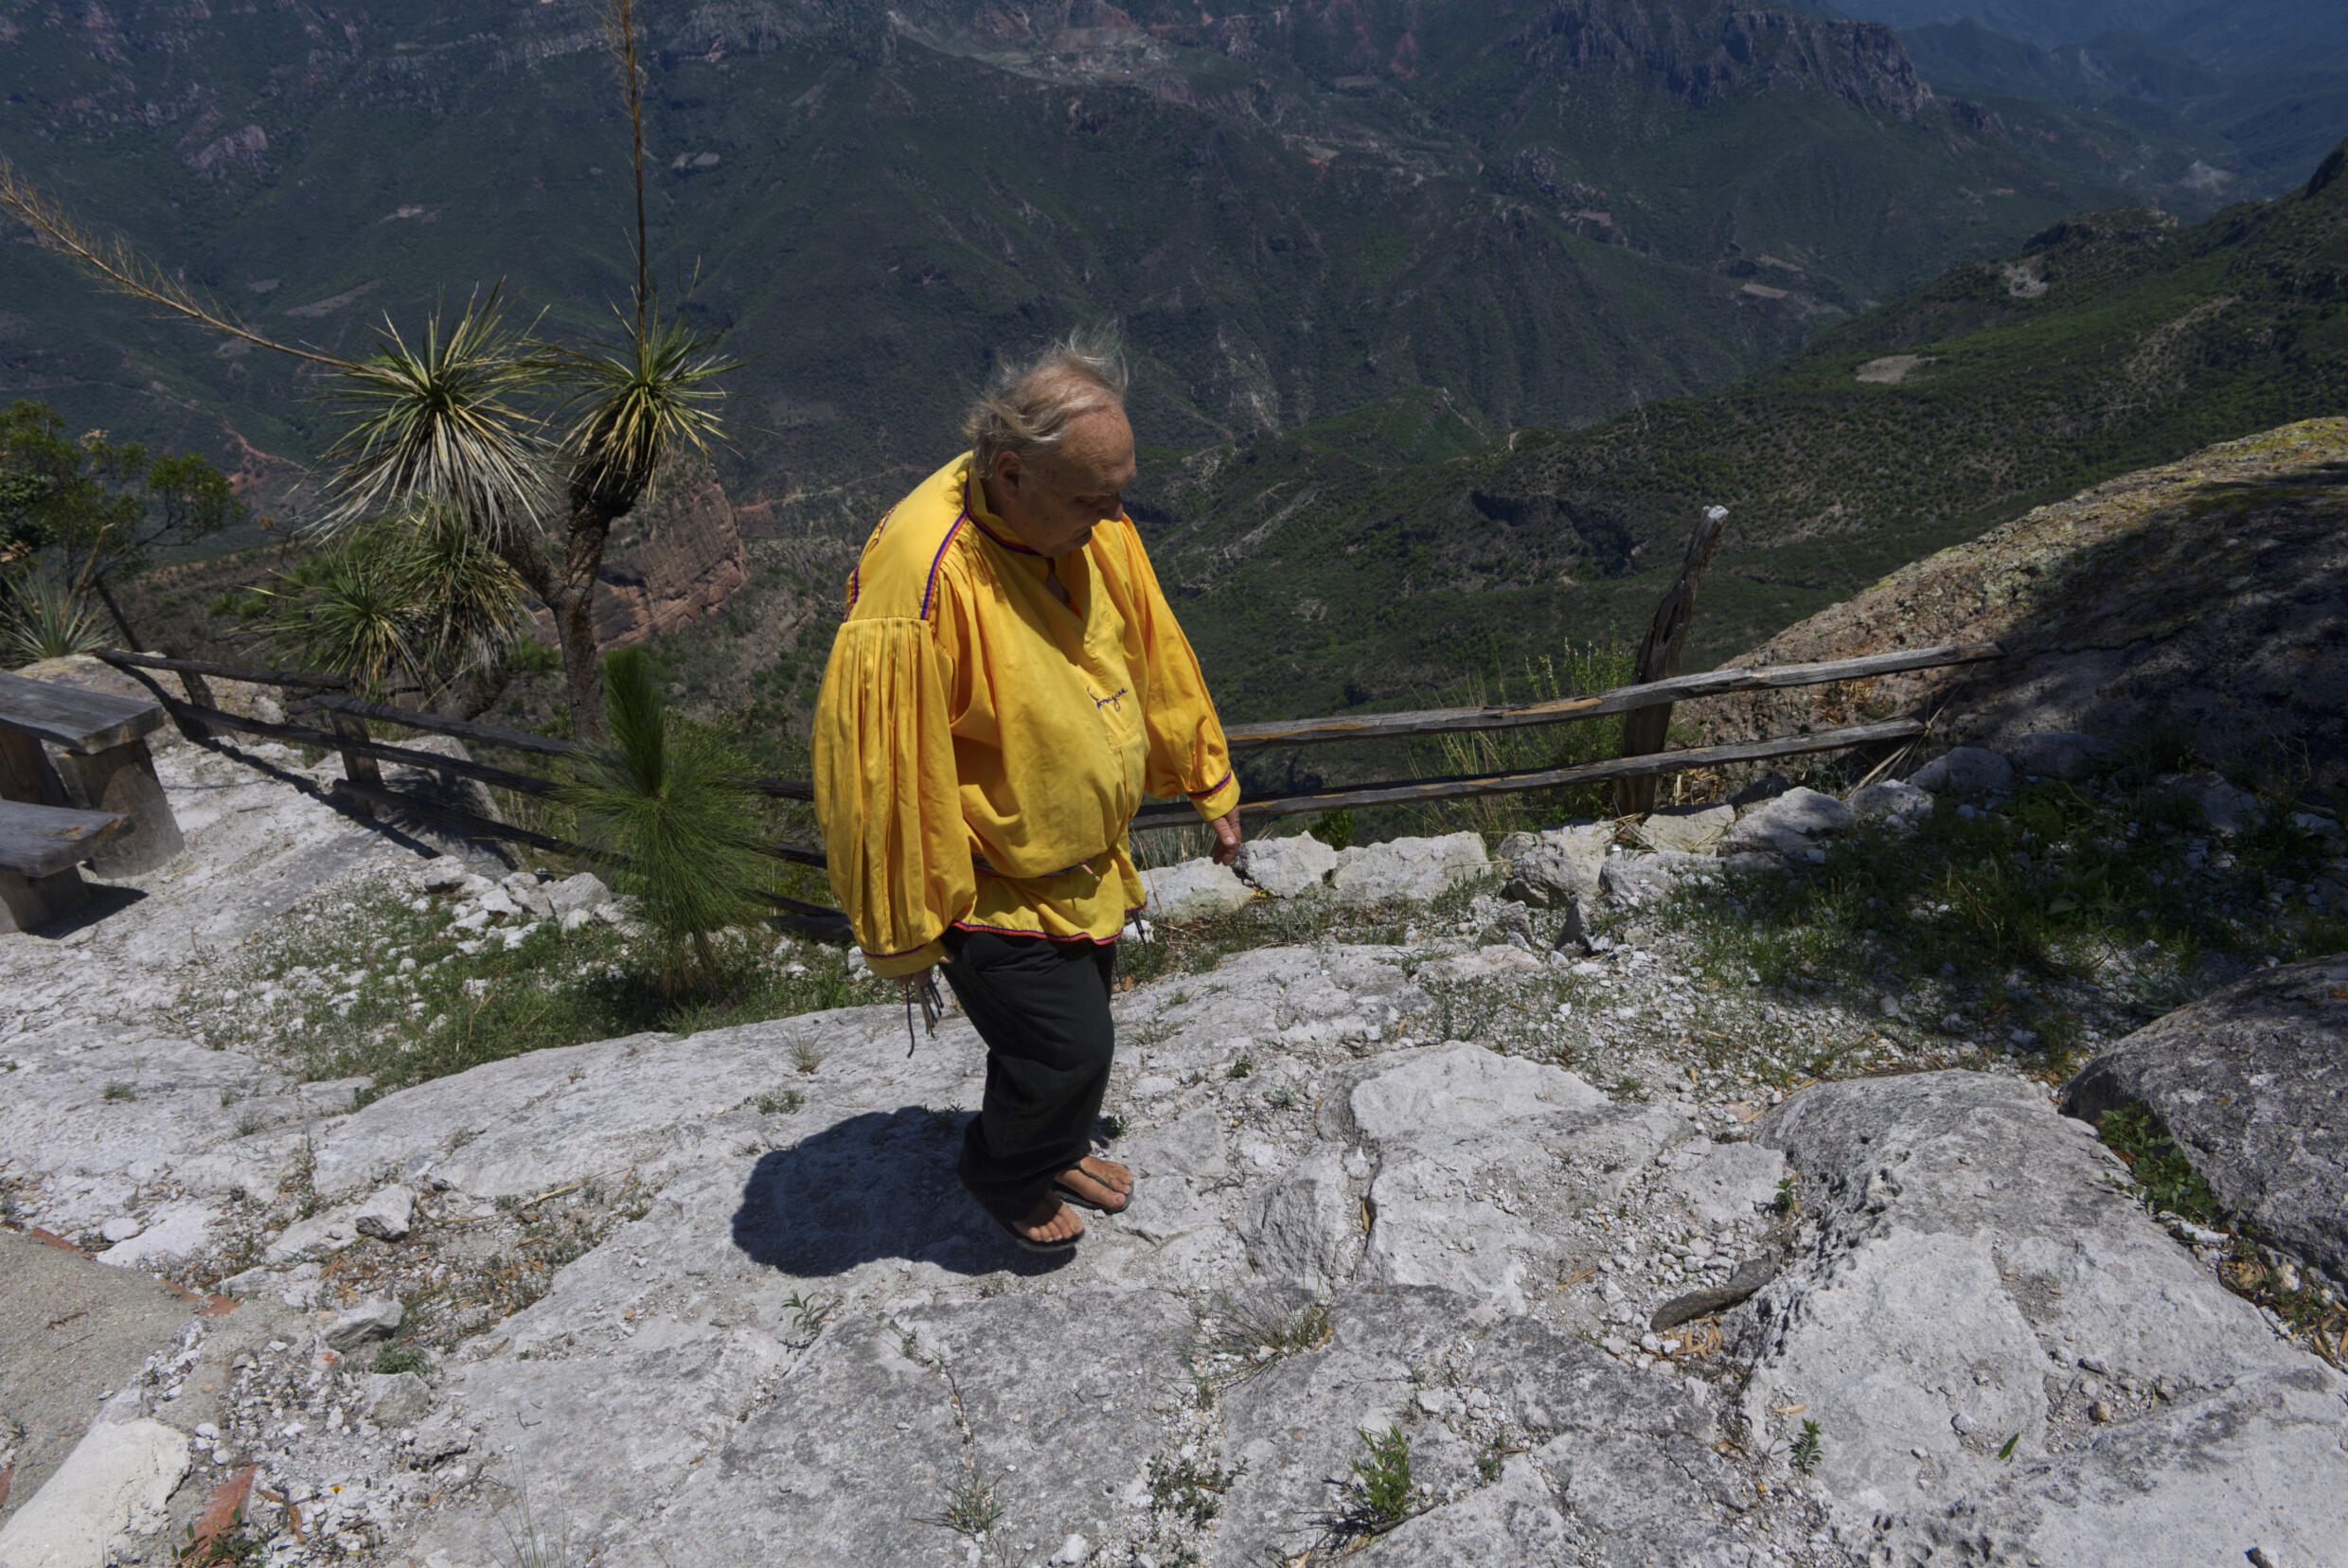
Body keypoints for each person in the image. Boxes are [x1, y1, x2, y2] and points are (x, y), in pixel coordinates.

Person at [810, 330, 1243, 1253]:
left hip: (1079, 862)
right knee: (1066, 1048)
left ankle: (1051, 1146)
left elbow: (1150, 643)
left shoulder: (1085, 519)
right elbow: (881, 771)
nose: (1114, 516)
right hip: (988, 879)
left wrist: (1206, 775)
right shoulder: (923, 576)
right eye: (1092, 498)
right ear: (1012, 473)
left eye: (1118, 491)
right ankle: (1002, 1170)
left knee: (1070, 1036)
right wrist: (905, 928)